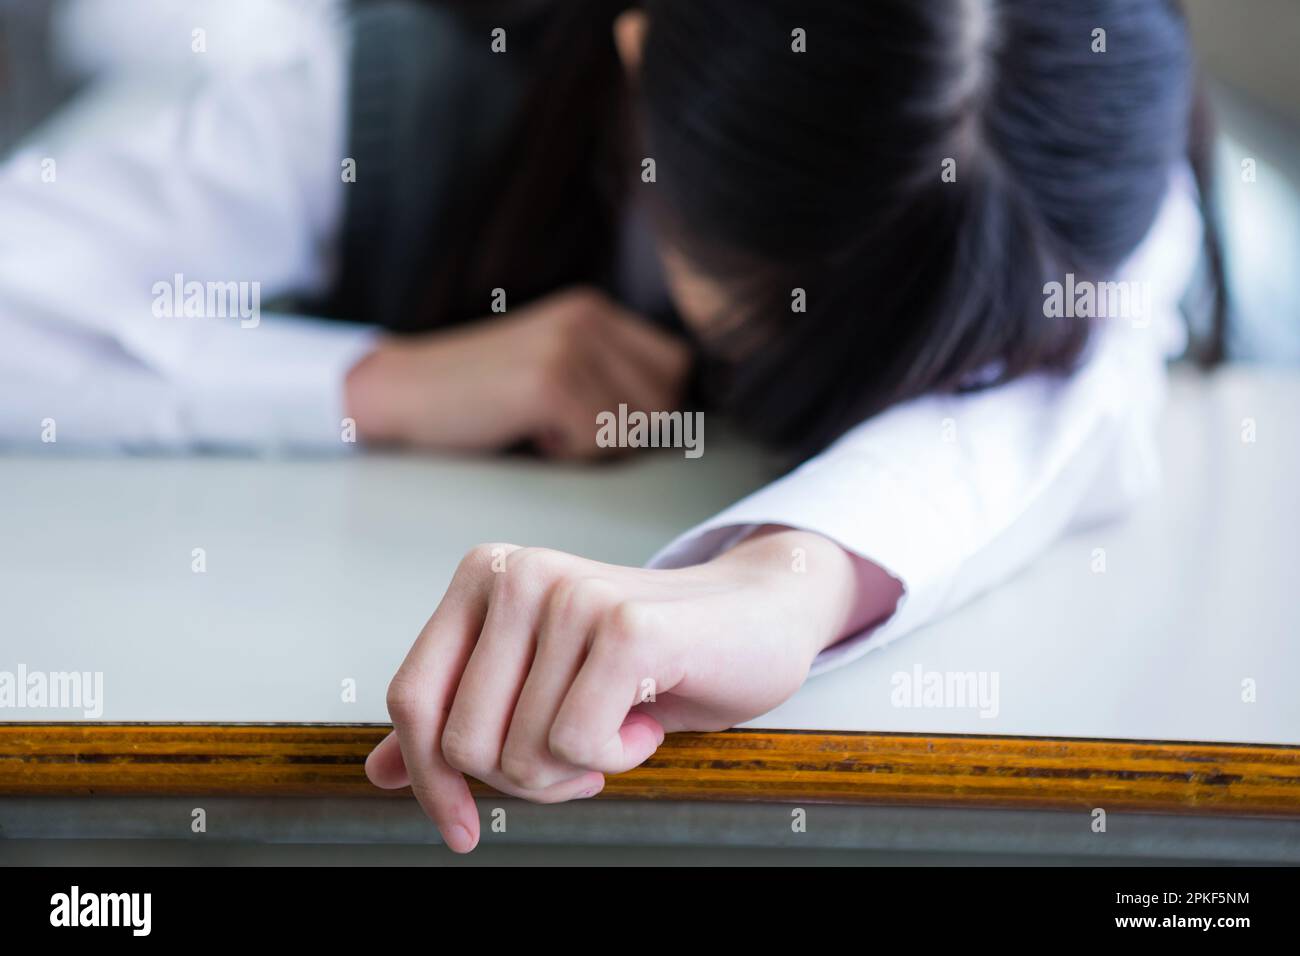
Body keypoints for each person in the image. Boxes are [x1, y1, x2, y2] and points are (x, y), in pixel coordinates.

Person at [0, 1, 1225, 852]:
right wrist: (387, 382)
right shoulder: (370, 98)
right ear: (642, 68)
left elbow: (1096, 368)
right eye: (774, 308)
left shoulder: (1076, 151)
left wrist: (789, 583)